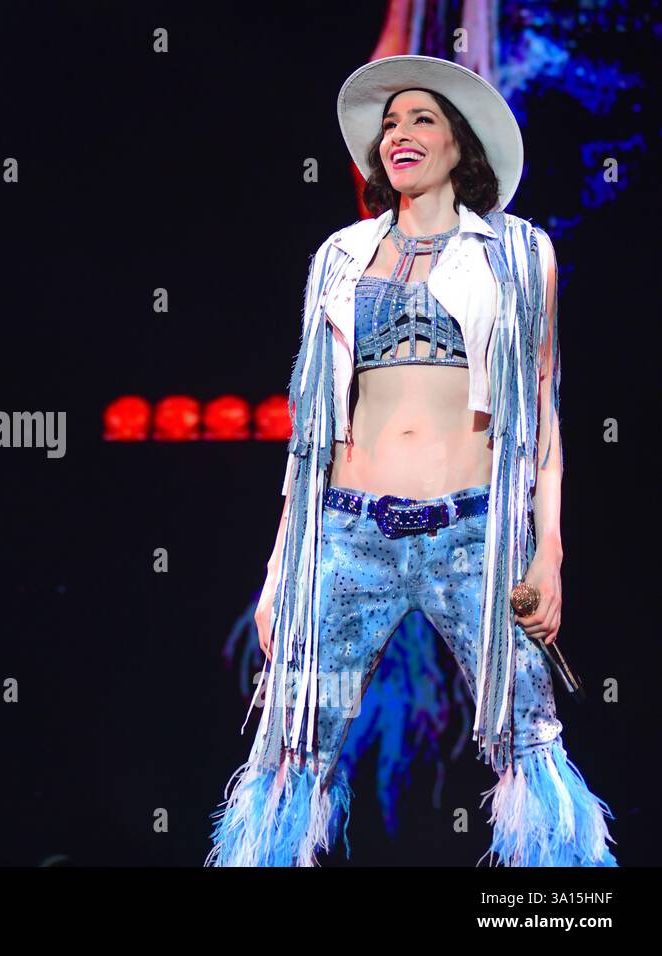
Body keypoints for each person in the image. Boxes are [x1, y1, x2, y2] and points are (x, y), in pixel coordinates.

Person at [207, 56, 617, 867]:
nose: (401, 133)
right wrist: (278, 567)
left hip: (473, 531)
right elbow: (313, 431)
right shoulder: (341, 257)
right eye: (390, 123)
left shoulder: (518, 253)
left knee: (528, 735)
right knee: (292, 740)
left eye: (422, 118)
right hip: (347, 531)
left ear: (460, 145)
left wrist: (551, 549)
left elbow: (541, 411)